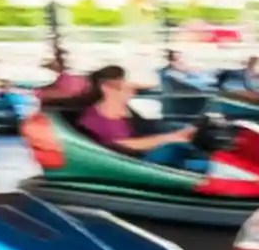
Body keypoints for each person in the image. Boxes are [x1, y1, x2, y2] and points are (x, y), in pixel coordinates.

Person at [77, 65, 205, 172]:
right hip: (131, 164)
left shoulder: (121, 109)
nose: (132, 91)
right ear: (107, 88)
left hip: (142, 150)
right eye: (127, 87)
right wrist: (172, 138)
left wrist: (178, 134)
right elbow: (122, 146)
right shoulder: (94, 119)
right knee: (176, 148)